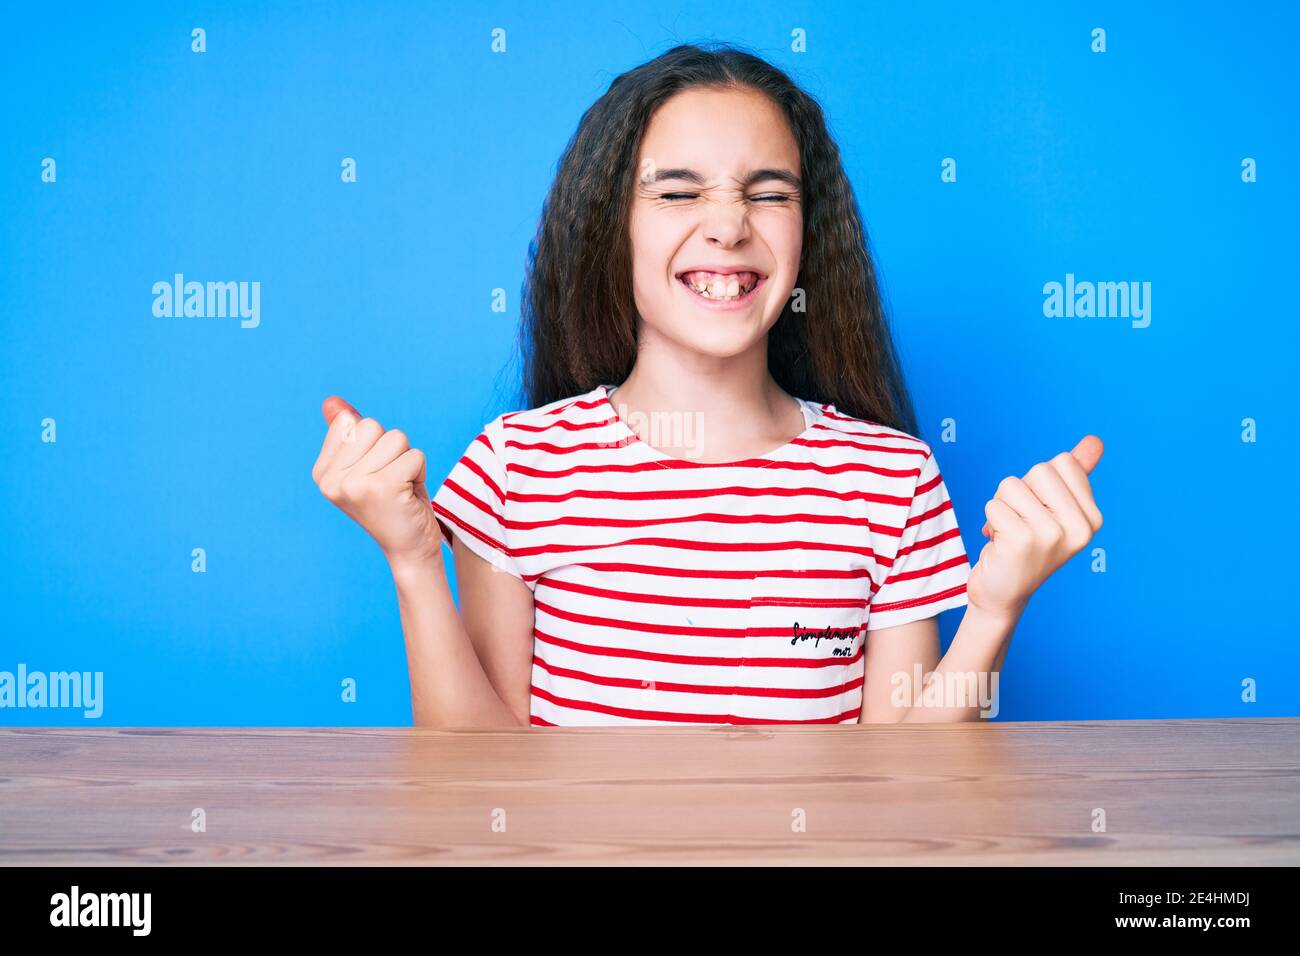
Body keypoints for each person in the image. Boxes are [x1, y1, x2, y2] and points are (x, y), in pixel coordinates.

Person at [311, 43, 1103, 728]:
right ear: (608, 225)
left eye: (769, 193)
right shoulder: (518, 469)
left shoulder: (890, 479)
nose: (729, 226)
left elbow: (900, 786)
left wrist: (994, 610)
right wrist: (414, 559)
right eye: (678, 192)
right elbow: (476, 781)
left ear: (807, 234)